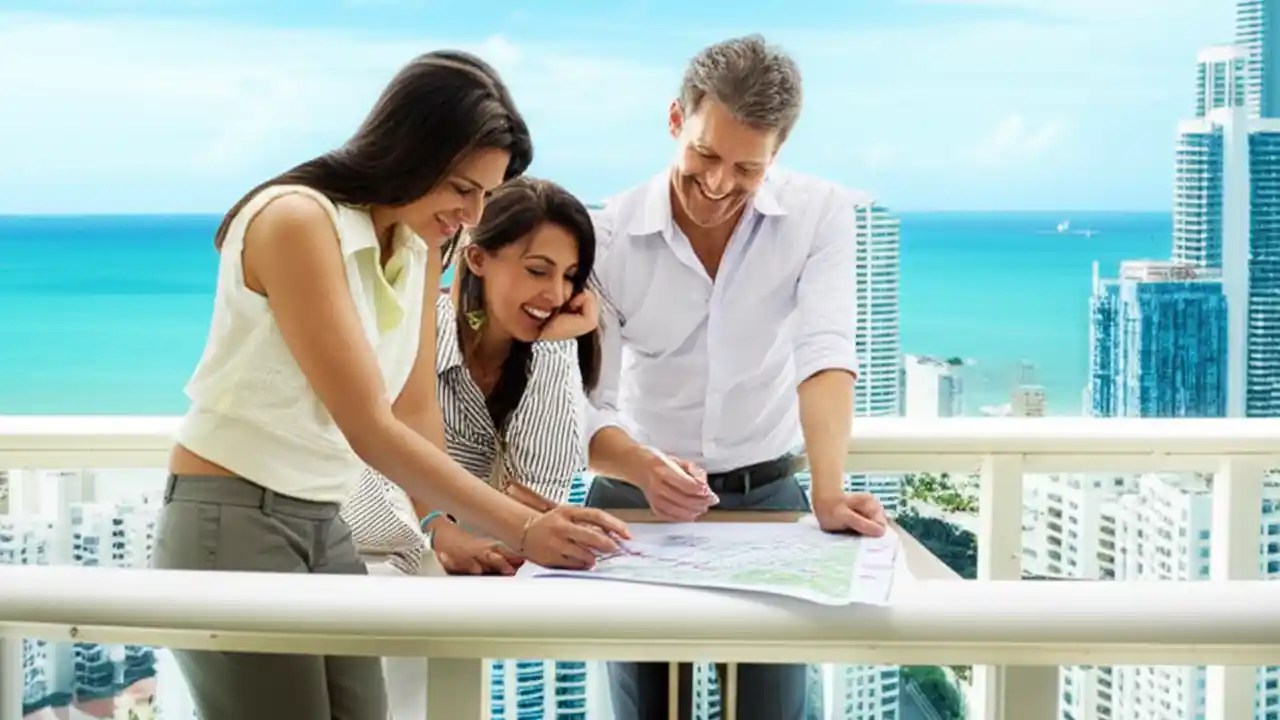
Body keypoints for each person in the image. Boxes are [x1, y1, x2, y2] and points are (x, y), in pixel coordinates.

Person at [150, 50, 628, 720]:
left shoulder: (416, 245)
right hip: (232, 518)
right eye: (462, 188)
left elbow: (413, 407)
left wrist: (440, 524)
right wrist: (525, 527)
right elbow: (369, 425)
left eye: (486, 195)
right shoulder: (296, 221)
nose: (472, 213)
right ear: (411, 150)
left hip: (324, 521)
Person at [582, 35, 889, 720]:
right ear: (675, 120)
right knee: (643, 712)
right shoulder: (607, 234)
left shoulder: (820, 215)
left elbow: (825, 351)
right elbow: (588, 399)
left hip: (769, 496)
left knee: (772, 710)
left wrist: (830, 492)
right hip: (634, 502)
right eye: (705, 155)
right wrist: (643, 467)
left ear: (777, 153)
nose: (719, 185)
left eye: (747, 168)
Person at [340, 176, 604, 719]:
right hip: (361, 578)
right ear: (478, 259)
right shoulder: (412, 337)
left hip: (458, 599)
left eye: (569, 276)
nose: (556, 295)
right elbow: (367, 466)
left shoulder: (542, 354)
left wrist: (552, 347)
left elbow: (542, 488)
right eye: (538, 271)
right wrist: (439, 528)